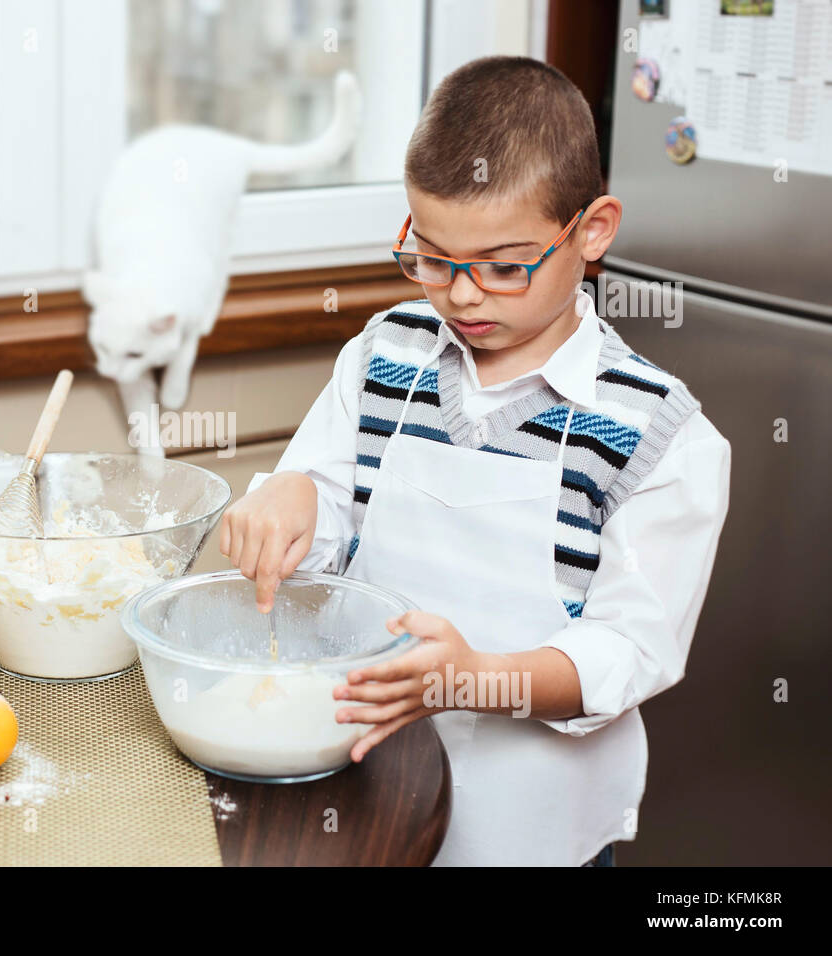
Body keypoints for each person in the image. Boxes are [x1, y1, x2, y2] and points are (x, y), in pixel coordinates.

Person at [219, 56, 731, 866]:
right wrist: (287, 497)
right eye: (431, 257)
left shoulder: (656, 432)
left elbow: (629, 650)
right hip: (368, 786)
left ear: (592, 231)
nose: (460, 297)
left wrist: (478, 678)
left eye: (501, 266)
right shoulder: (387, 352)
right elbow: (320, 510)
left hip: (535, 826)